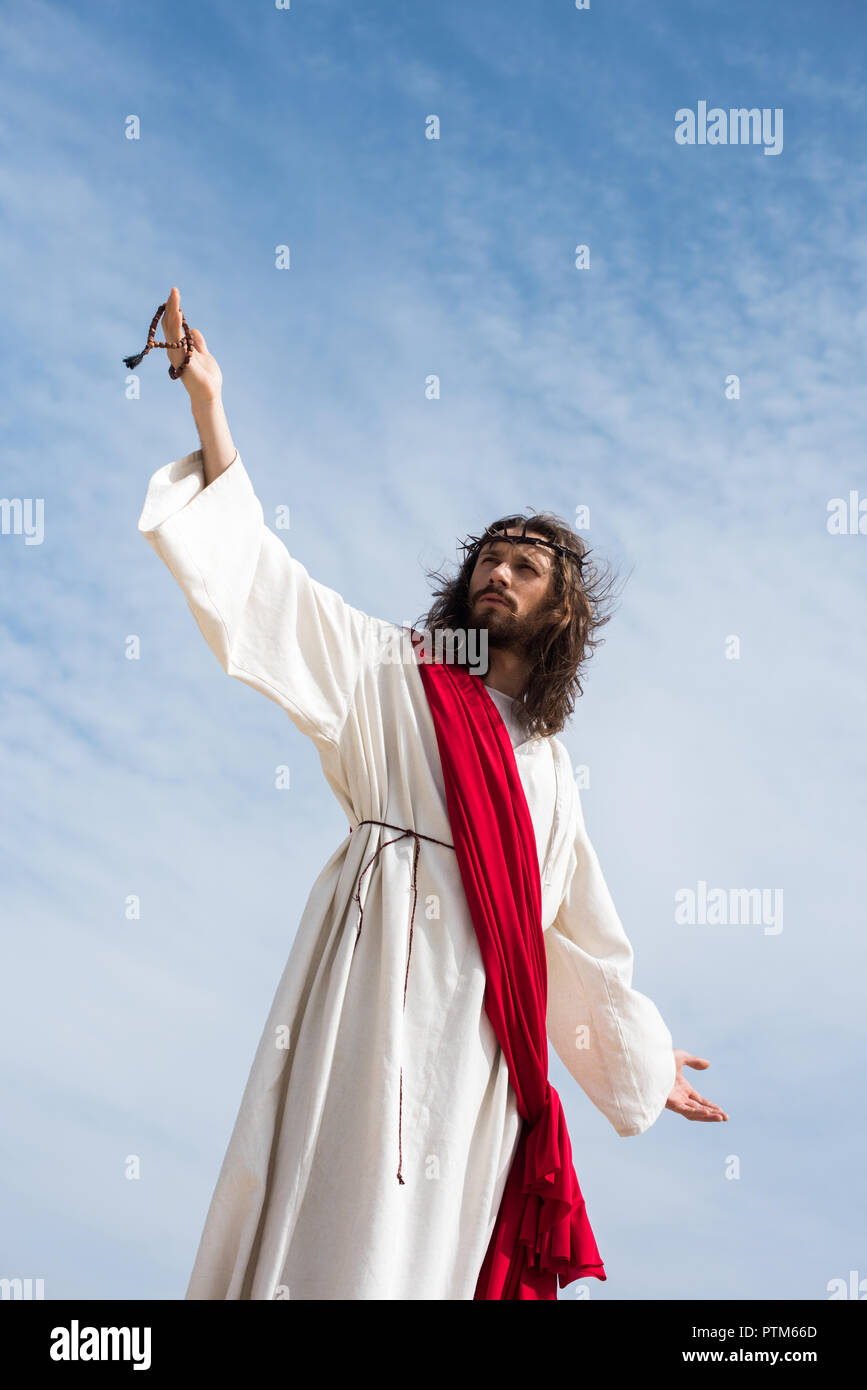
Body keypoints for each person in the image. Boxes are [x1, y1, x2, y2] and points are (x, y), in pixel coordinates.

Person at [137, 287, 728, 1301]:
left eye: (527, 565)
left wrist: (636, 1048)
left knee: (429, 1256)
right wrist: (208, 403)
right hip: (370, 995)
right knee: (338, 1216)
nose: (499, 571)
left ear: (560, 612)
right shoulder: (395, 674)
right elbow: (269, 586)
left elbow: (563, 935)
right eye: (490, 558)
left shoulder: (546, 764)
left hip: (477, 1048)